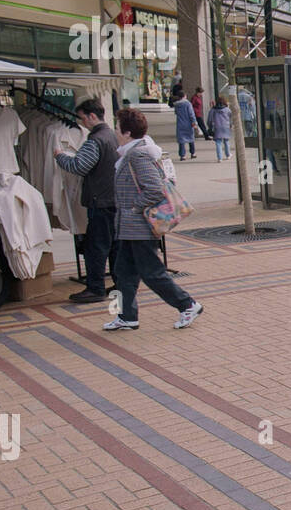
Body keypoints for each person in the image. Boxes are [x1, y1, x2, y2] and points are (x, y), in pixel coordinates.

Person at [104, 107, 203, 331]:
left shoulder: (137, 154)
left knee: (152, 273)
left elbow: (155, 190)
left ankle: (188, 304)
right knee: (122, 273)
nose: (115, 131)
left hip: (139, 227)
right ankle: (126, 317)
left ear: (127, 132)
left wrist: (133, 209)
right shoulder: (130, 153)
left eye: (117, 127)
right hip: (129, 228)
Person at [53, 98, 118, 304]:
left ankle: (95, 288)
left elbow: (80, 166)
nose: (81, 123)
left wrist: (60, 156)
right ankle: (121, 282)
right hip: (113, 199)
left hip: (101, 201)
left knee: (96, 247)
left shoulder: (95, 140)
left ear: (91, 116)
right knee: (114, 245)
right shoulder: (112, 135)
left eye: (82, 118)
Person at [207, 97, 232, 162]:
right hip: (226, 126)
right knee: (226, 141)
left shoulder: (213, 110)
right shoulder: (227, 109)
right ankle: (228, 155)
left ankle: (219, 158)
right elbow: (230, 118)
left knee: (218, 143)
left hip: (217, 127)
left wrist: (210, 126)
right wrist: (230, 125)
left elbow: (209, 120)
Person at [172, 92, 196, 159]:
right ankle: (193, 153)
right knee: (191, 138)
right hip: (188, 123)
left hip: (180, 123)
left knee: (181, 140)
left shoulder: (176, 105)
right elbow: (191, 114)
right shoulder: (188, 104)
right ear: (184, 96)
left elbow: (176, 113)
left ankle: (182, 155)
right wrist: (194, 122)